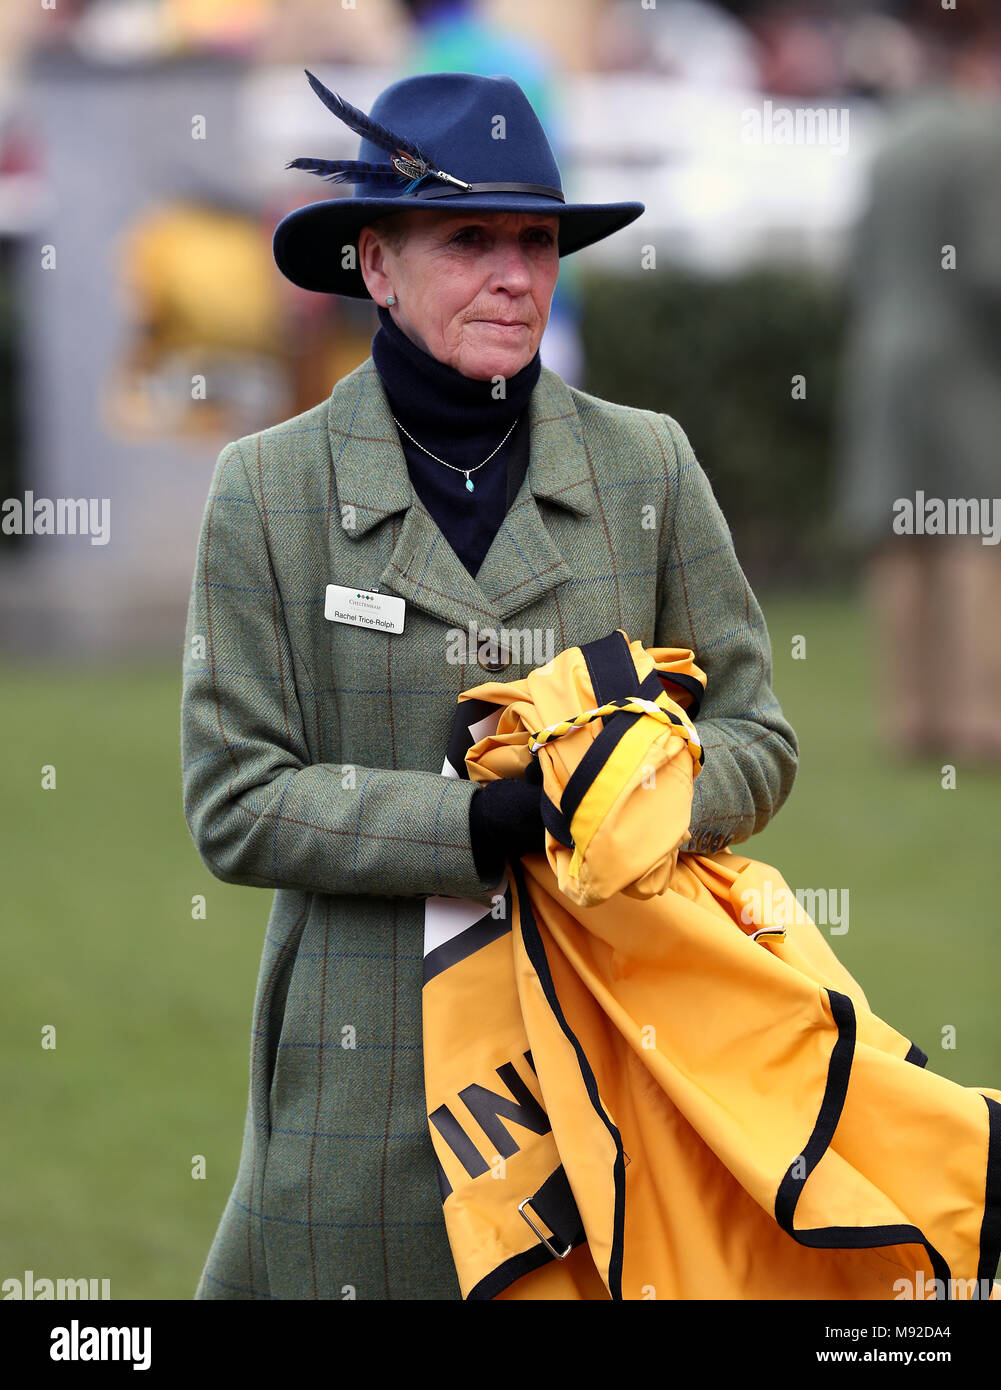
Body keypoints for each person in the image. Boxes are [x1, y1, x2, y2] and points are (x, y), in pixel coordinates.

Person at [180, 68, 798, 1300]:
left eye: (537, 240)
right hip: (366, 1066)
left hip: (621, 1038)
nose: (515, 274)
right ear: (376, 262)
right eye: (470, 238)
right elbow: (236, 801)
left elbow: (757, 737)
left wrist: (625, 791)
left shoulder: (648, 464)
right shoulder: (264, 489)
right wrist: (479, 823)